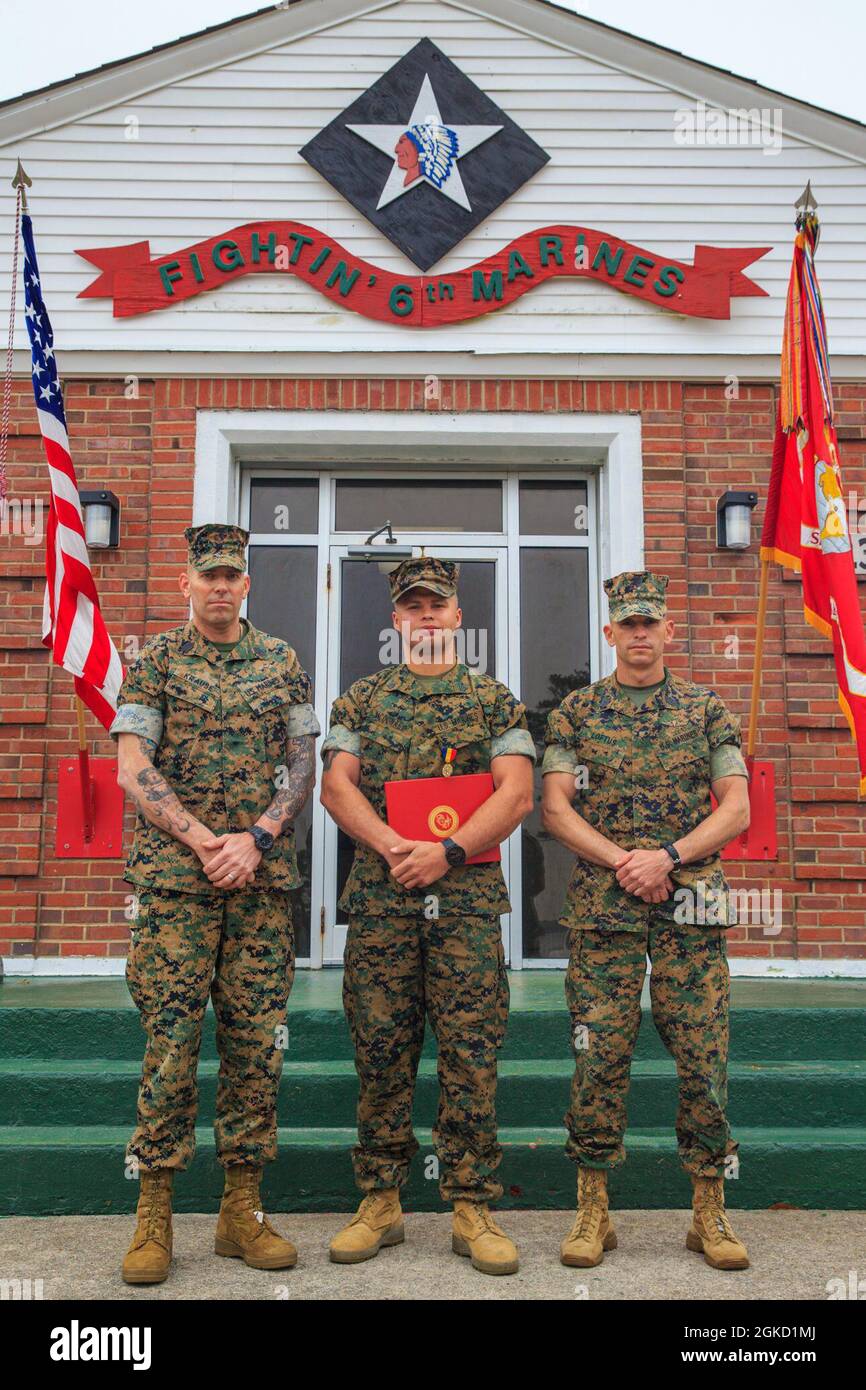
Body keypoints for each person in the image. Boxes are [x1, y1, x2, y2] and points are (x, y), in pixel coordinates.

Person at [110, 523, 319, 1284]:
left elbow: (302, 766)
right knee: (171, 1043)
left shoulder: (281, 660)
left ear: (247, 585)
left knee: (256, 1044)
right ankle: (154, 1215)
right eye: (209, 576)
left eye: (233, 575)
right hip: (176, 887)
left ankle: (242, 1212)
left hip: (260, 887)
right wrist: (206, 841)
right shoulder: (157, 661)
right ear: (187, 584)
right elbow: (134, 767)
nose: (222, 586)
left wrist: (257, 837)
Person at [319, 556, 535, 1275]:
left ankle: (472, 1205)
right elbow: (336, 787)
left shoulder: (493, 702)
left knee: (470, 1052)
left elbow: (516, 794)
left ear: (457, 616)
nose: (426, 617)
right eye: (412, 607)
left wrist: (445, 851)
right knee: (381, 1050)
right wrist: (391, 847)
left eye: (437, 606)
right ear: (396, 622)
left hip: (466, 907)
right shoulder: (362, 701)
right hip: (384, 906)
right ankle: (380, 1201)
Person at [541, 570, 752, 1271]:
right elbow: (556, 809)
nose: (638, 633)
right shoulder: (575, 712)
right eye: (626, 623)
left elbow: (736, 807)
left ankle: (709, 1213)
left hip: (690, 907)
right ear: (610, 632)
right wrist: (624, 863)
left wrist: (665, 857)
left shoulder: (706, 709)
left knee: (703, 1058)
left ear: (668, 630)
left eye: (649, 622)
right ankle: (593, 1212)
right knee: (597, 1056)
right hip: (605, 913)